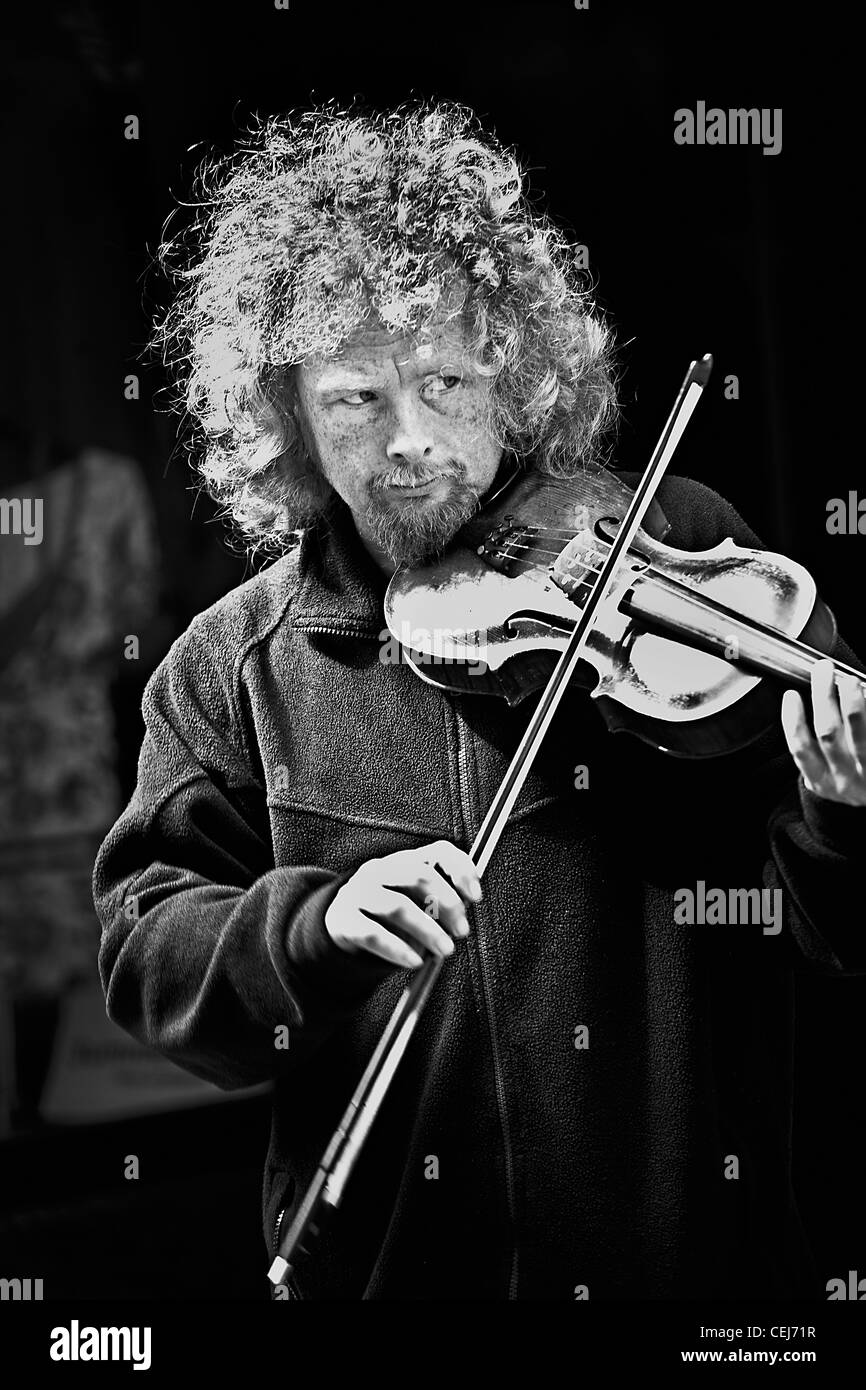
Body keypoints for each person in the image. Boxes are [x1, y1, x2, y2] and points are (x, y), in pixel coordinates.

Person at [92, 101, 865, 1300]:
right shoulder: (229, 663)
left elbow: (835, 937)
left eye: (446, 380)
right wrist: (315, 925)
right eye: (357, 397)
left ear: (514, 374)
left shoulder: (674, 553)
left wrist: (842, 821)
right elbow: (148, 956)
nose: (413, 440)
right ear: (284, 409)